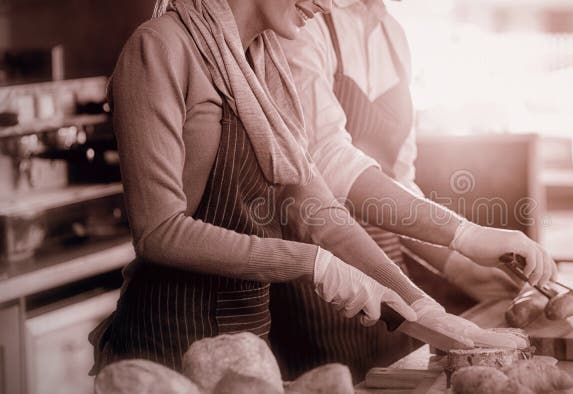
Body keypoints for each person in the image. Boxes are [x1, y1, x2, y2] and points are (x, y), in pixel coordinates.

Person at [89, 0, 531, 375]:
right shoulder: (160, 47)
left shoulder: (265, 67)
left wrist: (423, 307)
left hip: (250, 347)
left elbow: (323, 215)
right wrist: (311, 263)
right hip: (168, 342)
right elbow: (159, 232)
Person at [271, 0, 553, 380]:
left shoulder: (394, 37)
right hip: (326, 283)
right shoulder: (301, 20)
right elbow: (326, 161)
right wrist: (466, 236)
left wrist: (458, 267)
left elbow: (400, 183)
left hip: (395, 276)